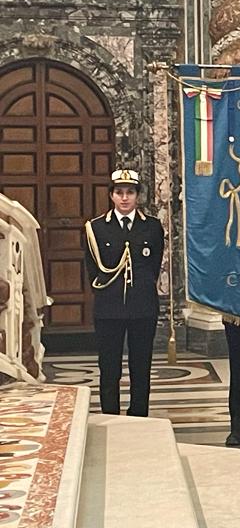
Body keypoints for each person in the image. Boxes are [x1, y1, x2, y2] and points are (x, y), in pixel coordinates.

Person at [83, 169, 165, 417]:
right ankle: (111, 415)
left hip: (142, 306)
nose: (125, 198)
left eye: (130, 192)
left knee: (141, 366)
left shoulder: (151, 227)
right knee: (109, 368)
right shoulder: (96, 228)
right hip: (109, 307)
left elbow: (154, 265)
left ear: (138, 195)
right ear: (111, 195)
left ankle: (139, 416)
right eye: (119, 192)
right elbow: (93, 268)